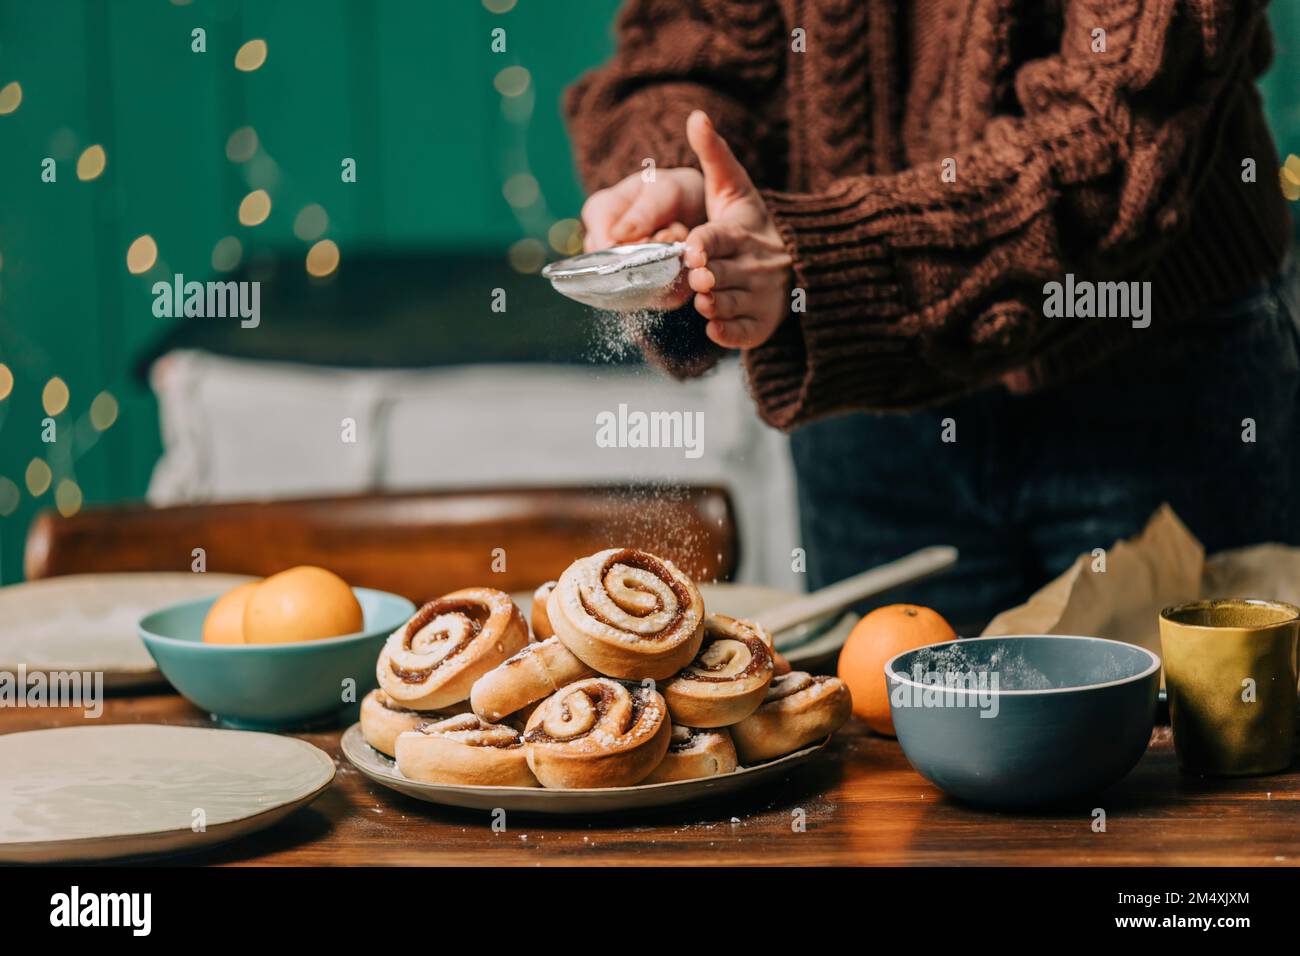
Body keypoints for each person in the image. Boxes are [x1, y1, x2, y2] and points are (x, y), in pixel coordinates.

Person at [563, 0, 1296, 629]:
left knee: (1194, 767)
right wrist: (673, 171)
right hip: (865, 399)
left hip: (1155, 378)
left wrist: (823, 261)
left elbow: (1115, 137)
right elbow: (689, 47)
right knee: (888, 773)